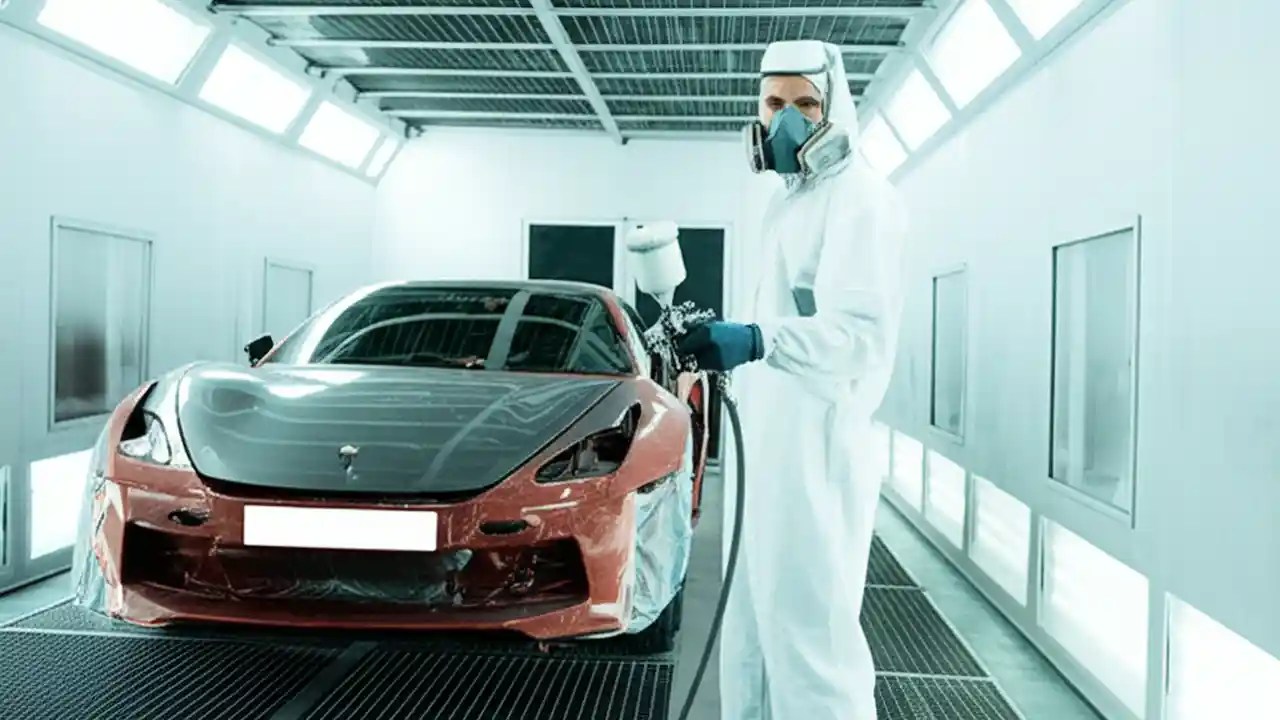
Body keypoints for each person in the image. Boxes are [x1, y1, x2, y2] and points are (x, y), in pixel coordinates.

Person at [677, 39, 909, 720]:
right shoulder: (785, 201)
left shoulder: (861, 199)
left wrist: (758, 339)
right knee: (752, 630)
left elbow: (860, 336)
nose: (786, 121)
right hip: (768, 456)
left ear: (834, 109)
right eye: (774, 103)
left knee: (813, 644)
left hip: (817, 455)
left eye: (805, 104)